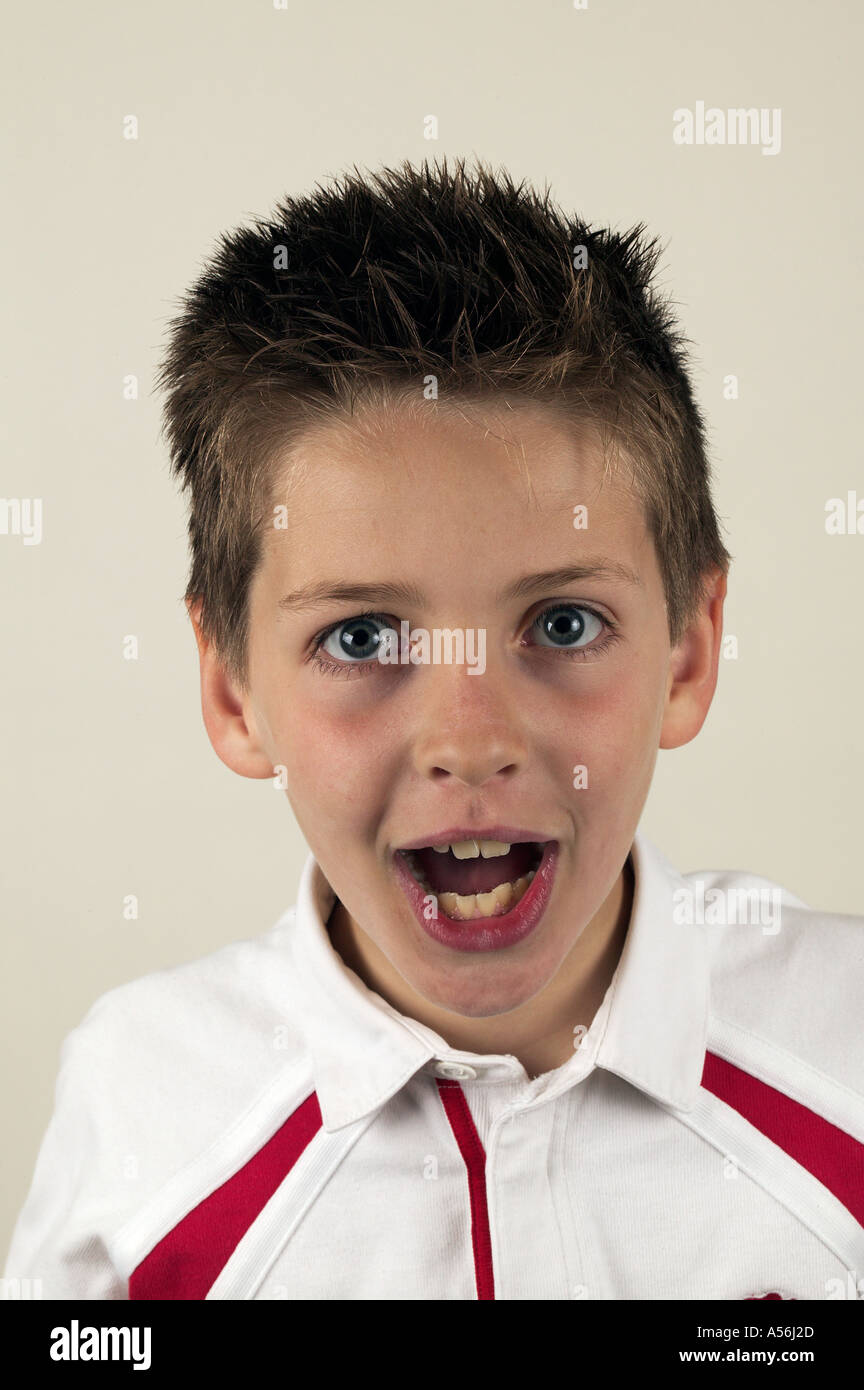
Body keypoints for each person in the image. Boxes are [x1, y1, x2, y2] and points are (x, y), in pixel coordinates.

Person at [5, 158, 863, 1301]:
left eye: (562, 623)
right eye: (362, 638)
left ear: (690, 653)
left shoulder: (846, 1048)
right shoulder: (143, 1110)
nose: (470, 738)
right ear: (231, 690)